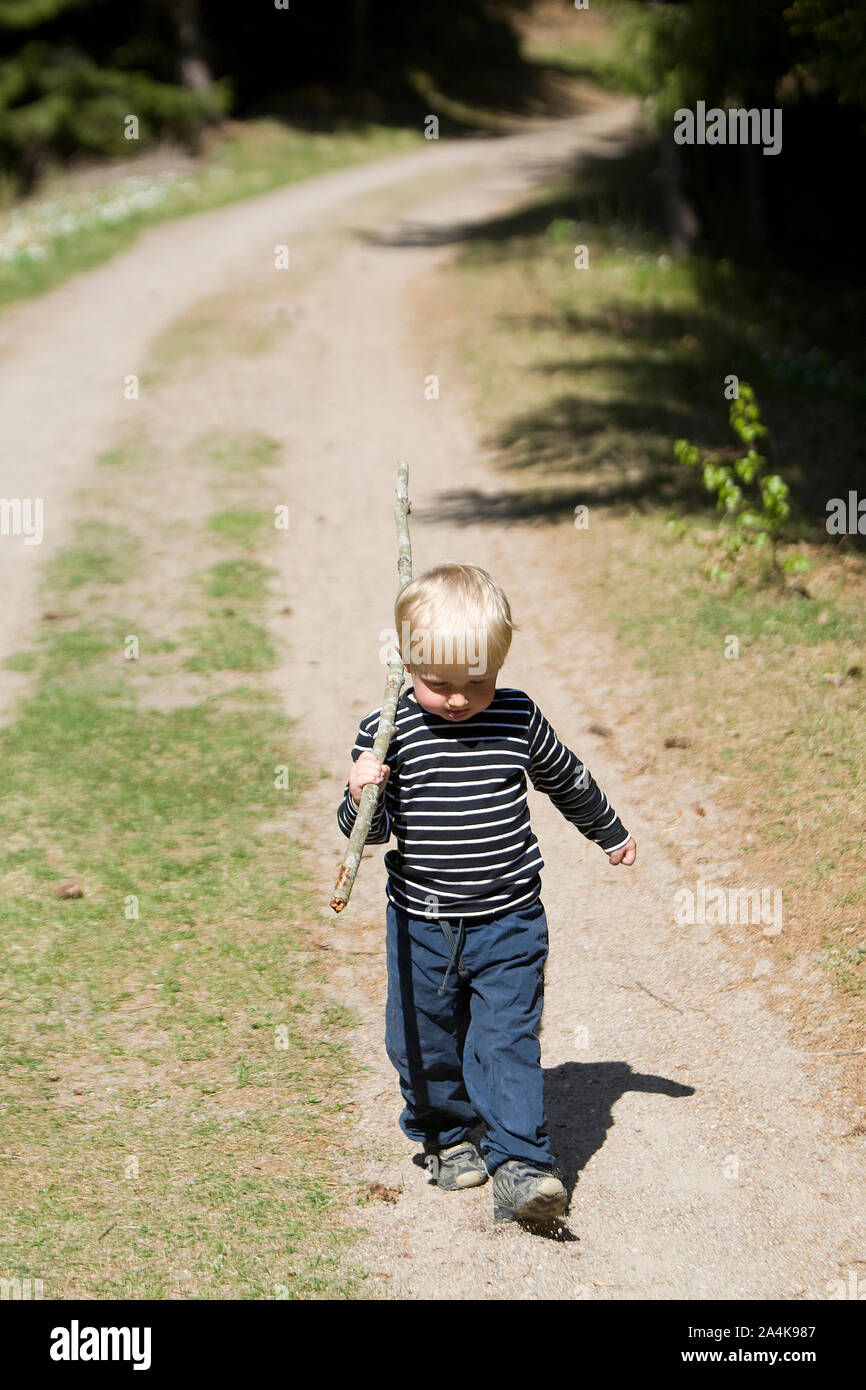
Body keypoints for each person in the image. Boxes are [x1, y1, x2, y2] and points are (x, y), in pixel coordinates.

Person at [337, 563, 636, 1224]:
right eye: (438, 684)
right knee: (424, 1042)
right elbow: (371, 835)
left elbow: (569, 781)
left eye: (477, 683)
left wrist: (608, 832)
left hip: (510, 921)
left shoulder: (517, 717)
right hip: (423, 925)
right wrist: (363, 793)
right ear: (407, 665)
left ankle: (521, 1166)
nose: (456, 700)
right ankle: (444, 1137)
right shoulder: (388, 730)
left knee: (507, 1041)